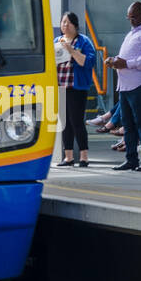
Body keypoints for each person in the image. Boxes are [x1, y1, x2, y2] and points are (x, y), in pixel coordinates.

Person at [104, 2, 141, 171]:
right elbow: (125, 56)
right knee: (127, 124)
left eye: (134, 17)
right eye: (129, 18)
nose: (132, 21)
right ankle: (131, 158)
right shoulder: (131, 34)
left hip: (138, 84)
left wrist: (126, 63)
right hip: (125, 85)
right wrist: (113, 60)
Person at [55, 12, 96, 167]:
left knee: (77, 121)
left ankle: (84, 156)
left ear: (75, 25)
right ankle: (68, 156)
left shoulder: (84, 41)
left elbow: (88, 62)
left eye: (68, 22)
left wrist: (71, 50)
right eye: (63, 22)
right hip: (61, 86)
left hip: (77, 86)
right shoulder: (56, 41)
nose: (65, 25)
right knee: (64, 122)